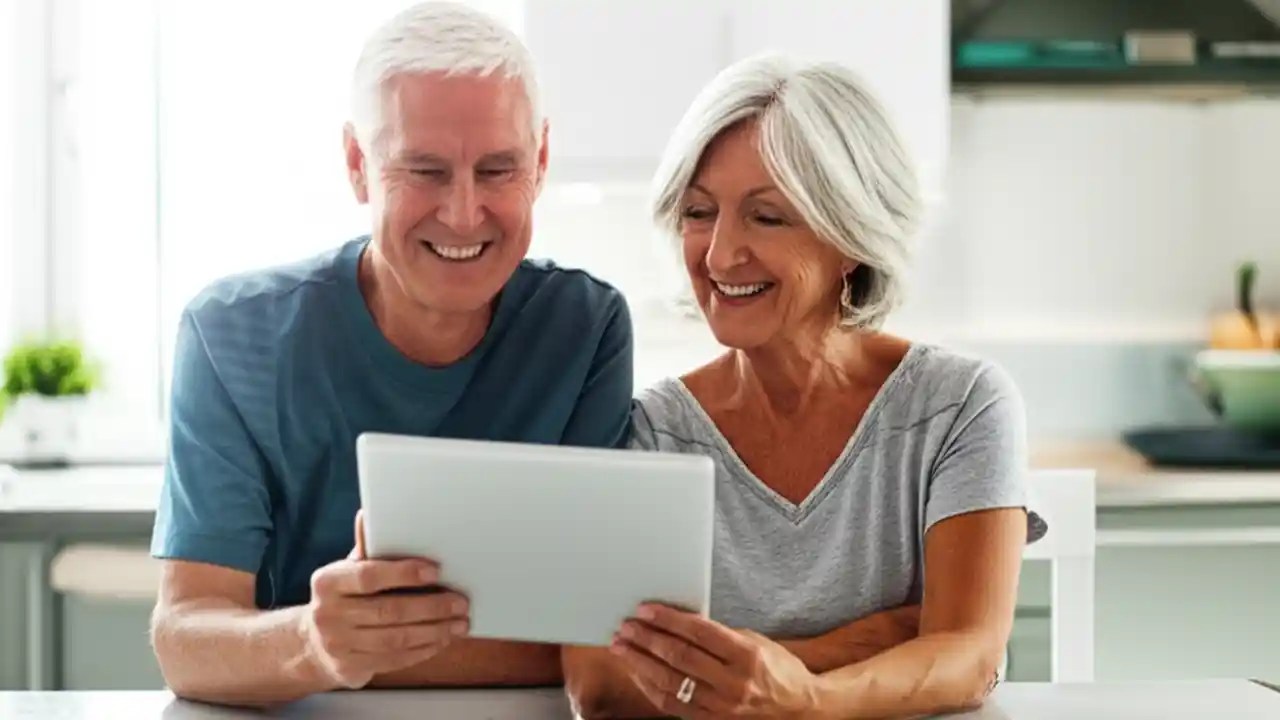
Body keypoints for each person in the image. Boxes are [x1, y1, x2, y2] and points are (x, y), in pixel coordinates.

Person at [148, 2, 632, 707]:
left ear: (542, 161)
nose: (464, 213)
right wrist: (316, 642)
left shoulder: (585, 329)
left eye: (498, 170)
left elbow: (601, 633)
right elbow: (185, 639)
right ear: (357, 165)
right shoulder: (231, 336)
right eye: (425, 172)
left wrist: (324, 650)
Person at [563, 54, 1046, 719]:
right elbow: (598, 680)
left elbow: (969, 654)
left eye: (766, 218)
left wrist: (809, 700)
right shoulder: (651, 432)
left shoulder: (960, 406)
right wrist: (867, 642)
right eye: (700, 212)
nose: (719, 255)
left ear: (850, 233)